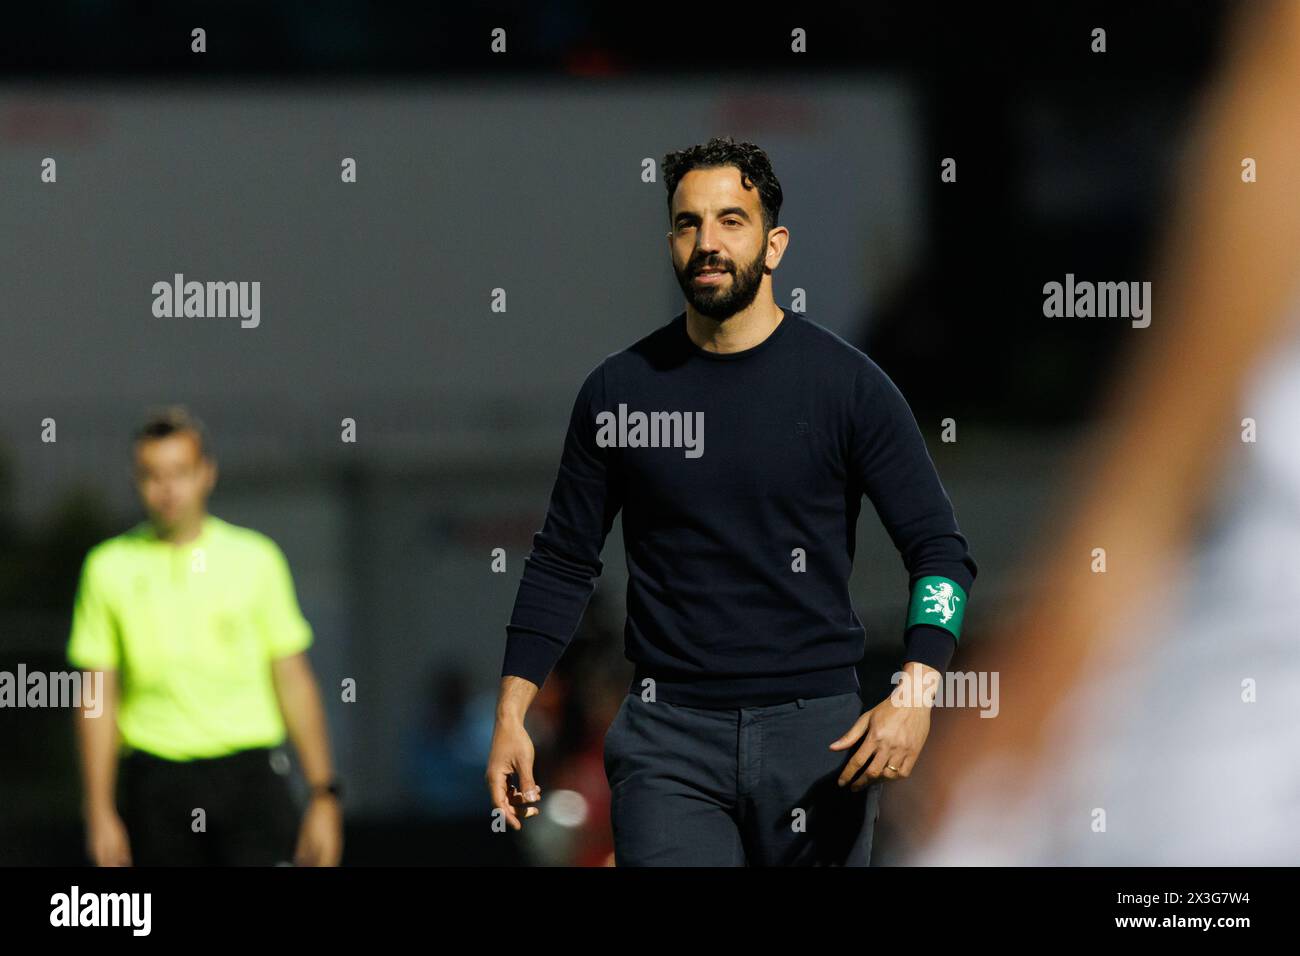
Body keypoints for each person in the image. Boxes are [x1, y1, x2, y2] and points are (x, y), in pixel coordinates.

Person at [486, 137, 977, 865]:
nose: (707, 243)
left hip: (819, 741)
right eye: (688, 224)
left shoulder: (849, 388)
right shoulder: (620, 393)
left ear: (774, 245)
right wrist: (511, 712)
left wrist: (916, 692)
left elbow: (941, 555)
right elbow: (562, 562)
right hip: (668, 740)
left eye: (730, 221)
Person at [68, 406, 344, 866]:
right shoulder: (107, 568)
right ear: (137, 481)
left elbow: (294, 680)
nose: (167, 489)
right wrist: (98, 808)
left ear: (206, 474)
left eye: (180, 472)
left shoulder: (256, 559)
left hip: (248, 778)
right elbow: (97, 695)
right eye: (152, 475)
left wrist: (323, 793)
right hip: (156, 783)